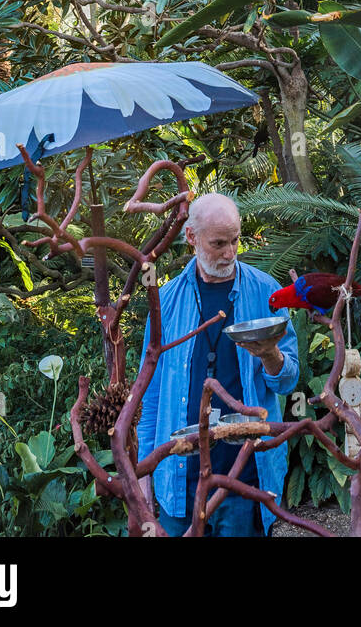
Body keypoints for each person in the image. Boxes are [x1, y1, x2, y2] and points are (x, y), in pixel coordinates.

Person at [136, 192, 299, 537]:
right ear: (192, 238)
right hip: (179, 479)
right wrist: (144, 475)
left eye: (235, 240)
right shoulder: (165, 302)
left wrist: (270, 354)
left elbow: (287, 382)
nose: (230, 253)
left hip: (243, 475)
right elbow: (149, 397)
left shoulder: (266, 292)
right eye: (219, 243)